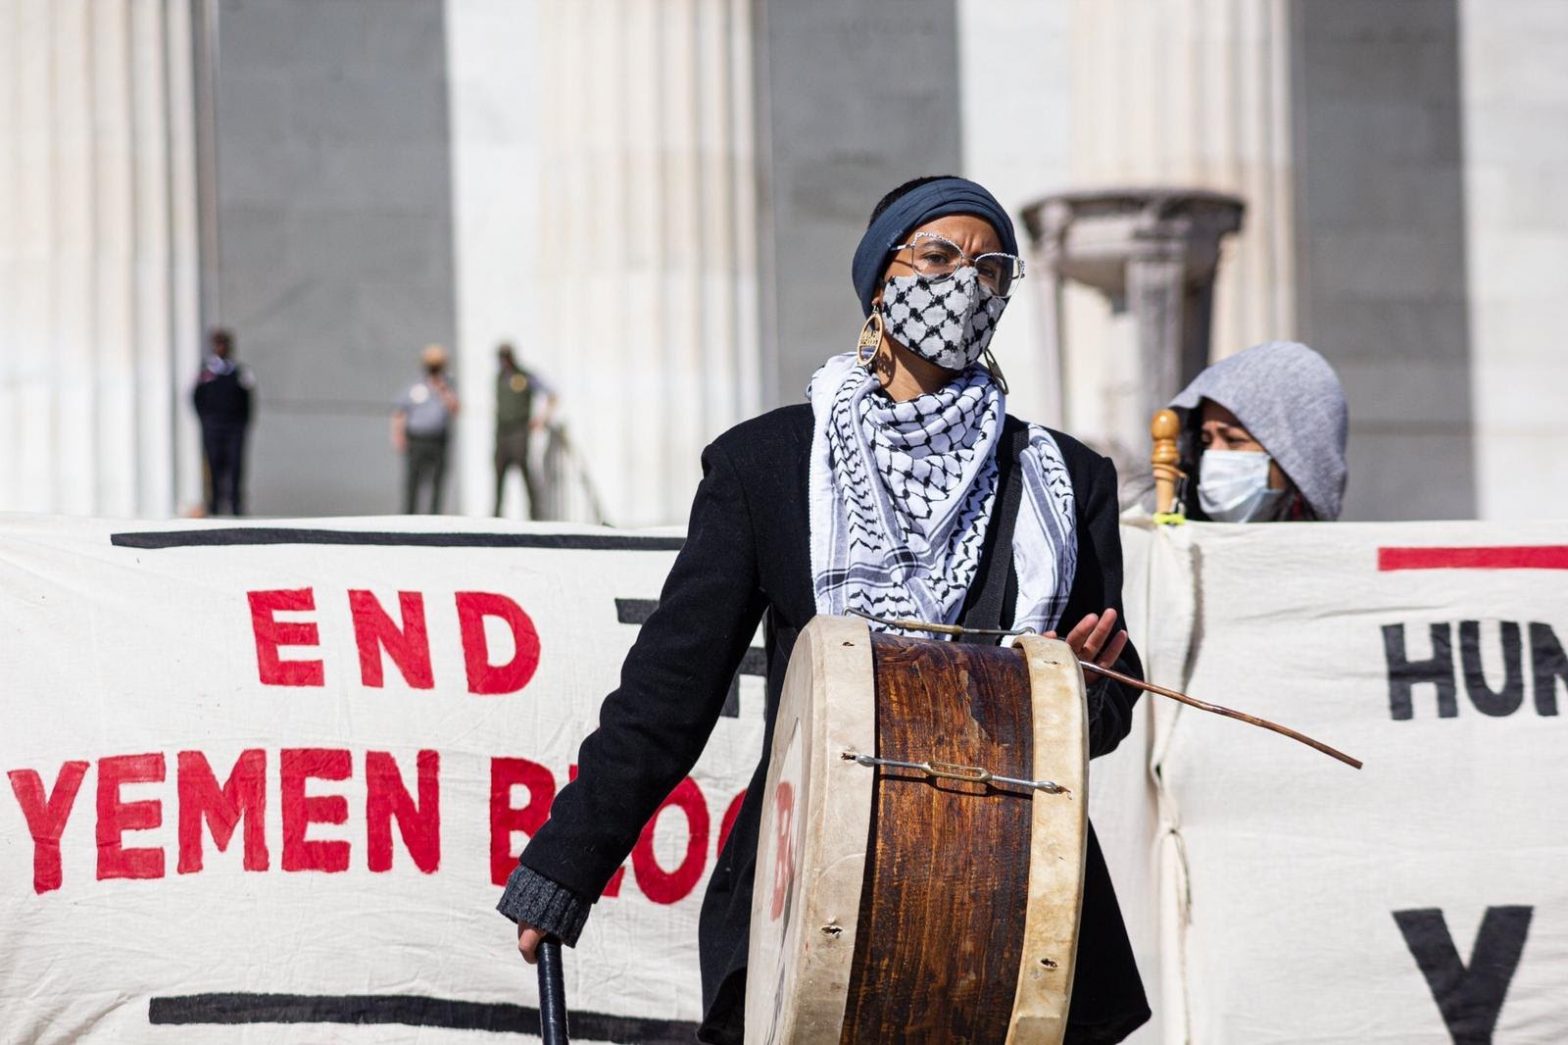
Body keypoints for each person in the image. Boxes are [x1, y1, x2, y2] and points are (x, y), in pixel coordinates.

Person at [498, 176, 1150, 1044]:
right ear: (883, 278)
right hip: (812, 895)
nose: (967, 284)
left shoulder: (1066, 480)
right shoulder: (766, 466)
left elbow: (1099, 706)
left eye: (991, 267)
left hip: (1010, 906)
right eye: (940, 256)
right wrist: (565, 867)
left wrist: (1090, 684)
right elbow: (666, 696)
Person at [1169, 340, 1348, 521]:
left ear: (1298, 462)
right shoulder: (1177, 544)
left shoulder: (1342, 548)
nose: (1212, 456)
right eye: (1206, 442)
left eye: (1233, 440)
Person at [392, 343, 460, 514]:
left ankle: (435, 517)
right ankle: (408, 516)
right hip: (417, 439)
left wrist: (443, 390)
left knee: (438, 482)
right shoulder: (415, 387)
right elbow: (400, 412)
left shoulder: (448, 386)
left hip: (438, 440)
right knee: (413, 481)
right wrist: (398, 435)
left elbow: (455, 409)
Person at [192, 328, 254, 515]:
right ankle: (215, 506)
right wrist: (206, 420)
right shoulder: (206, 372)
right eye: (217, 344)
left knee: (235, 466)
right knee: (214, 466)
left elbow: (248, 400)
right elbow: (196, 398)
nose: (221, 348)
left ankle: (235, 505)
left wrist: (242, 423)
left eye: (224, 344)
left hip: (234, 427)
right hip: (213, 426)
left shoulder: (239, 372)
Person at [494, 344, 558, 519]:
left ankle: (535, 514)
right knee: (499, 473)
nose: (504, 361)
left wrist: (541, 419)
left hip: (519, 431)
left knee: (524, 471)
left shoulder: (525, 376)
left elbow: (551, 394)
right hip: (502, 432)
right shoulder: (499, 378)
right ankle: (496, 515)